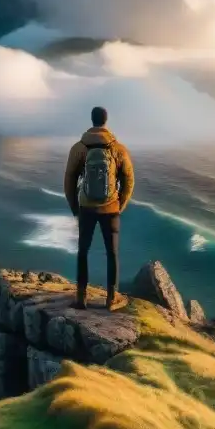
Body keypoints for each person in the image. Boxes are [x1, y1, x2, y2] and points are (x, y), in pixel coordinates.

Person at [63, 106, 135, 311]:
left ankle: (81, 298)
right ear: (106, 121)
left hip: (86, 208)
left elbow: (69, 179)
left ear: (92, 120)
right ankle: (111, 299)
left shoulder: (79, 147)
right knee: (111, 253)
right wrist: (121, 204)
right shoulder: (118, 149)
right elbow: (129, 179)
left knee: (83, 252)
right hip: (110, 209)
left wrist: (74, 207)